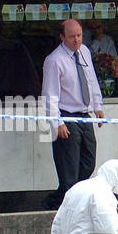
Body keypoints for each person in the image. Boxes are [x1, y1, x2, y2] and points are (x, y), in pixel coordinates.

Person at [41, 19, 104, 210]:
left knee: (88, 160)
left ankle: (63, 198)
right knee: (69, 166)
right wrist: (57, 122)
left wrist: (97, 106)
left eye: (79, 35)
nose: (76, 40)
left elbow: (91, 79)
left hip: (84, 115)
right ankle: (68, 204)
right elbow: (50, 94)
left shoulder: (84, 52)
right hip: (67, 115)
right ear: (62, 37)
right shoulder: (54, 60)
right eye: (71, 36)